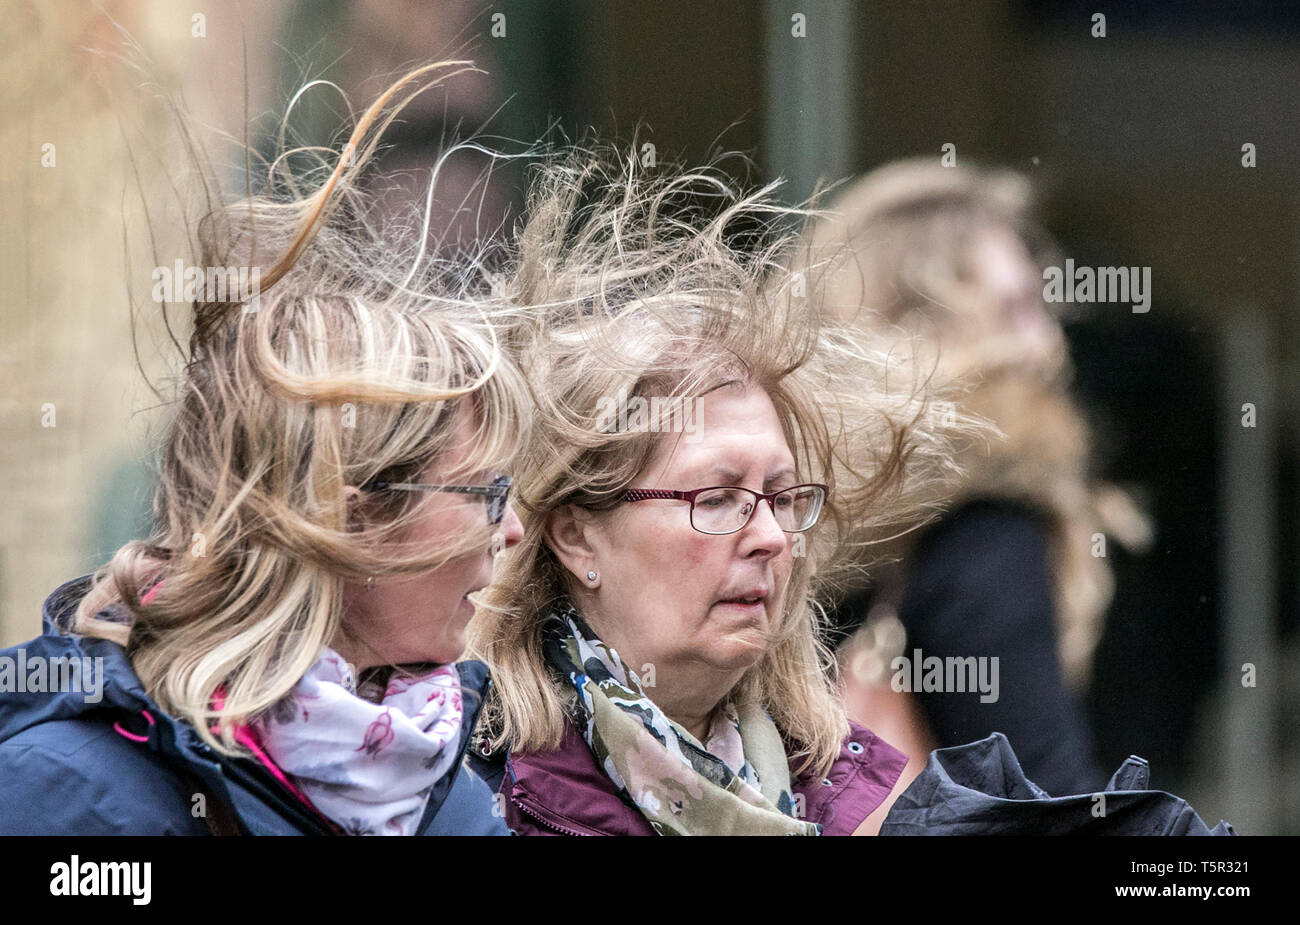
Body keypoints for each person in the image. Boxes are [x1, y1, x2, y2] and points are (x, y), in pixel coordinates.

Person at [0, 63, 529, 835]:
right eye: (484, 493)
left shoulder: (451, 778)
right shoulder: (65, 792)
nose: (511, 528)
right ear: (345, 517)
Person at [467, 150, 964, 835]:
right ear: (577, 533)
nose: (770, 536)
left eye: (783, 496)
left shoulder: (840, 786)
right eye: (718, 497)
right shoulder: (472, 793)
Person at [802, 158, 1152, 799]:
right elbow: (1050, 799)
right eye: (1016, 310)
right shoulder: (990, 533)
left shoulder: (793, 512)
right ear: (923, 329)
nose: (1049, 342)